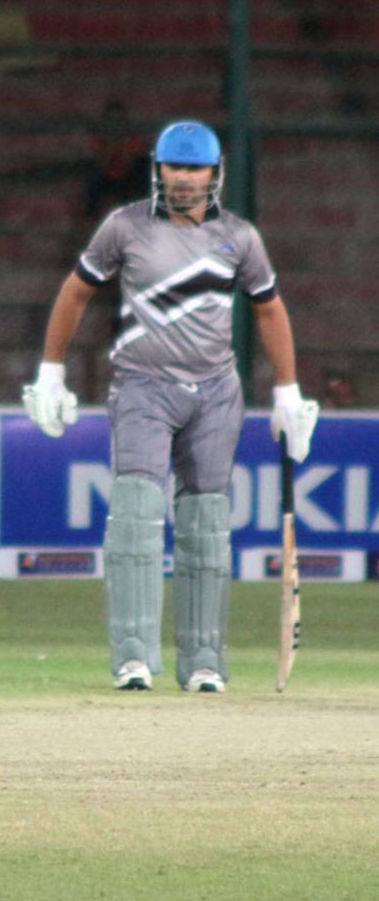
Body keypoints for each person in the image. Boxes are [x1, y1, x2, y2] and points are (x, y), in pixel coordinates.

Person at [22, 120, 319, 694]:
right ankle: (133, 657)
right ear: (158, 170)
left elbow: (269, 309)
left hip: (216, 392)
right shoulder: (124, 227)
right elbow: (76, 291)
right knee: (135, 514)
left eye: (194, 168)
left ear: (215, 173)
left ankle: (204, 661)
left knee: (206, 526)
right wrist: (50, 371)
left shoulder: (240, 238)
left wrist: (288, 391)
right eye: (174, 167)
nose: (184, 178)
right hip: (142, 386)